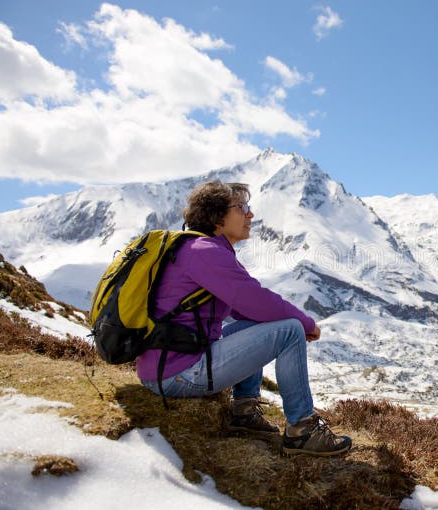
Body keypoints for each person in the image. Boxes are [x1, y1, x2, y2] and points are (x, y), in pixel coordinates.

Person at [136, 180, 352, 457]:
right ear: (217, 216)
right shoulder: (205, 253)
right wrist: (306, 324)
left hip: (171, 366)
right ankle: (303, 430)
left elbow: (247, 310)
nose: (250, 215)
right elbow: (257, 301)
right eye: (242, 208)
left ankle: (245, 411)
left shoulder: (199, 250)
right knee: (288, 330)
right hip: (178, 374)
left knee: (265, 324)